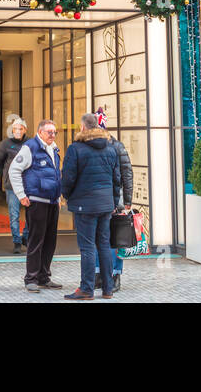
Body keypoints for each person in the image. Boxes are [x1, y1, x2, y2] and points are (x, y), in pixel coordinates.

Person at [60, 113, 121, 300]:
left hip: (85, 206)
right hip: (105, 205)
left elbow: (68, 178)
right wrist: (113, 201)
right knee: (103, 244)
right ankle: (108, 289)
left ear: (84, 128)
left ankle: (86, 289)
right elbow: (116, 179)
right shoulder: (111, 149)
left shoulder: (76, 149)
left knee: (87, 247)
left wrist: (66, 195)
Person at [8, 118, 63, 293]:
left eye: (55, 132)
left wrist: (59, 197)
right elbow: (13, 170)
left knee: (50, 241)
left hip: (52, 202)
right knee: (36, 241)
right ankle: (31, 278)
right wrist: (21, 195)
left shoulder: (53, 149)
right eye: (49, 132)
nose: (52, 135)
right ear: (40, 132)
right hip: (37, 202)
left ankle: (44, 277)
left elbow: (55, 175)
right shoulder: (30, 147)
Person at [98, 114, 133, 293]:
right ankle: (99, 273)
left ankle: (115, 274)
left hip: (115, 200)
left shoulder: (117, 146)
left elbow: (127, 173)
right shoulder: (91, 146)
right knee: (99, 239)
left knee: (114, 240)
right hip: (97, 201)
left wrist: (127, 201)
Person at [0, 117, 29, 253]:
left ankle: (25, 237)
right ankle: (17, 242)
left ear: (25, 130)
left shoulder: (30, 143)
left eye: (21, 129)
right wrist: (5, 175)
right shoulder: (5, 144)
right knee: (14, 215)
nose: (18, 131)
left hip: (27, 185)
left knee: (30, 214)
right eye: (15, 129)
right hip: (11, 186)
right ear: (12, 130)